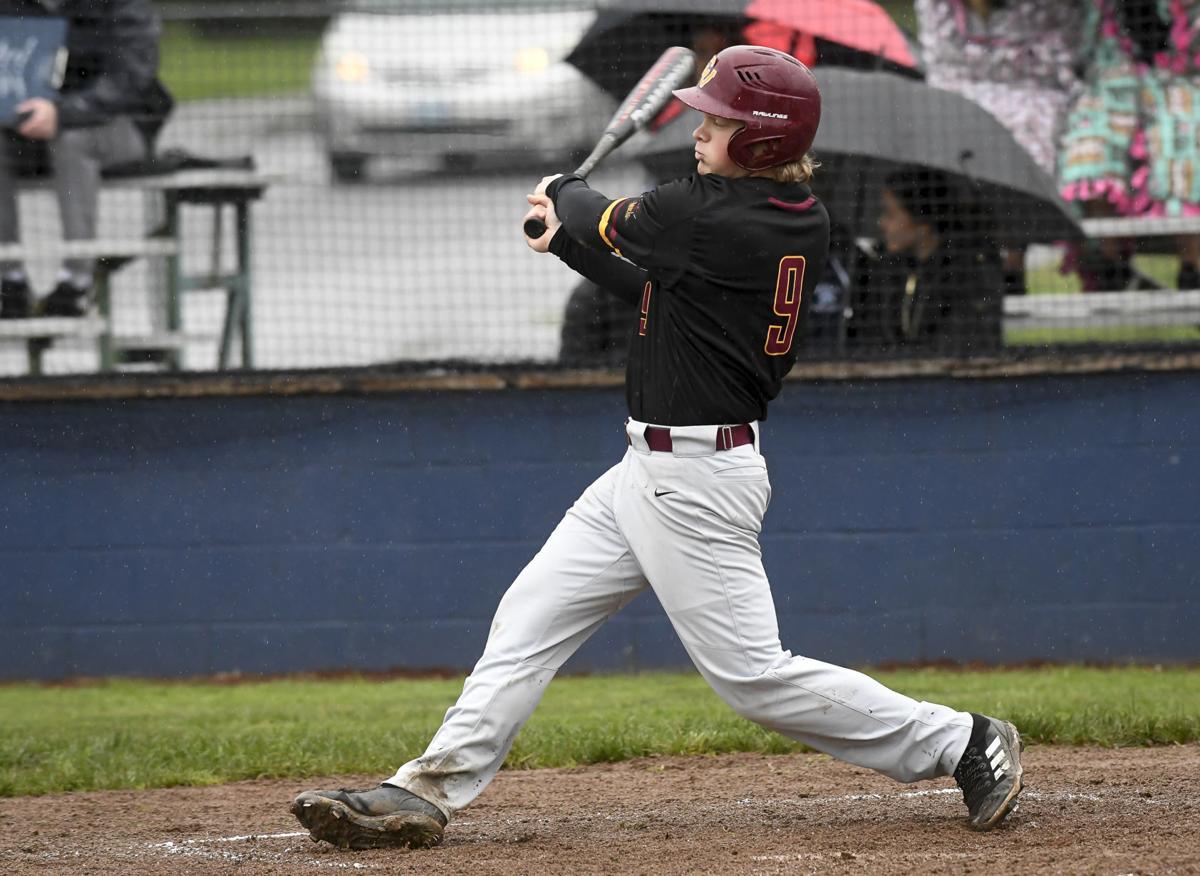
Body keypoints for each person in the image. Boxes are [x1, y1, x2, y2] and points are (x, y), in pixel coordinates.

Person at [290, 46, 1025, 851]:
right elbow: (657, 290)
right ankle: (422, 791)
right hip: (647, 469)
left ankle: (962, 740)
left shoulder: (708, 213)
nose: (702, 131)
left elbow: (605, 212)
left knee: (754, 679)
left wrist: (564, 196)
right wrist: (569, 242)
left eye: (720, 122)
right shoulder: (786, 216)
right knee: (527, 621)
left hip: (697, 478)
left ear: (762, 142)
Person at [0, 0, 173, 318]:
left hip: (116, 126)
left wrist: (63, 114)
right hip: (29, 132)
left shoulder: (123, 7)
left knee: (71, 140)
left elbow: (131, 79)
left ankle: (77, 279)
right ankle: (8, 279)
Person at [915, 0, 1085, 295]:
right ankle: (969, 263)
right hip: (958, 92)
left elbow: (1057, 56)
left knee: (1029, 135)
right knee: (952, 139)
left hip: (1036, 92)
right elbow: (943, 61)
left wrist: (998, 64)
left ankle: (1012, 265)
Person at [1059, 0, 1200, 291]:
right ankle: (1110, 268)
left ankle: (1193, 272)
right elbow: (1085, 52)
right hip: (1113, 80)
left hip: (1183, 80)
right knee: (1091, 138)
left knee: (1185, 133)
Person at [862, 166, 1004, 356]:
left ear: (922, 223)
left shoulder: (964, 274)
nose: (882, 223)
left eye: (890, 214)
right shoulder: (891, 270)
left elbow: (961, 343)